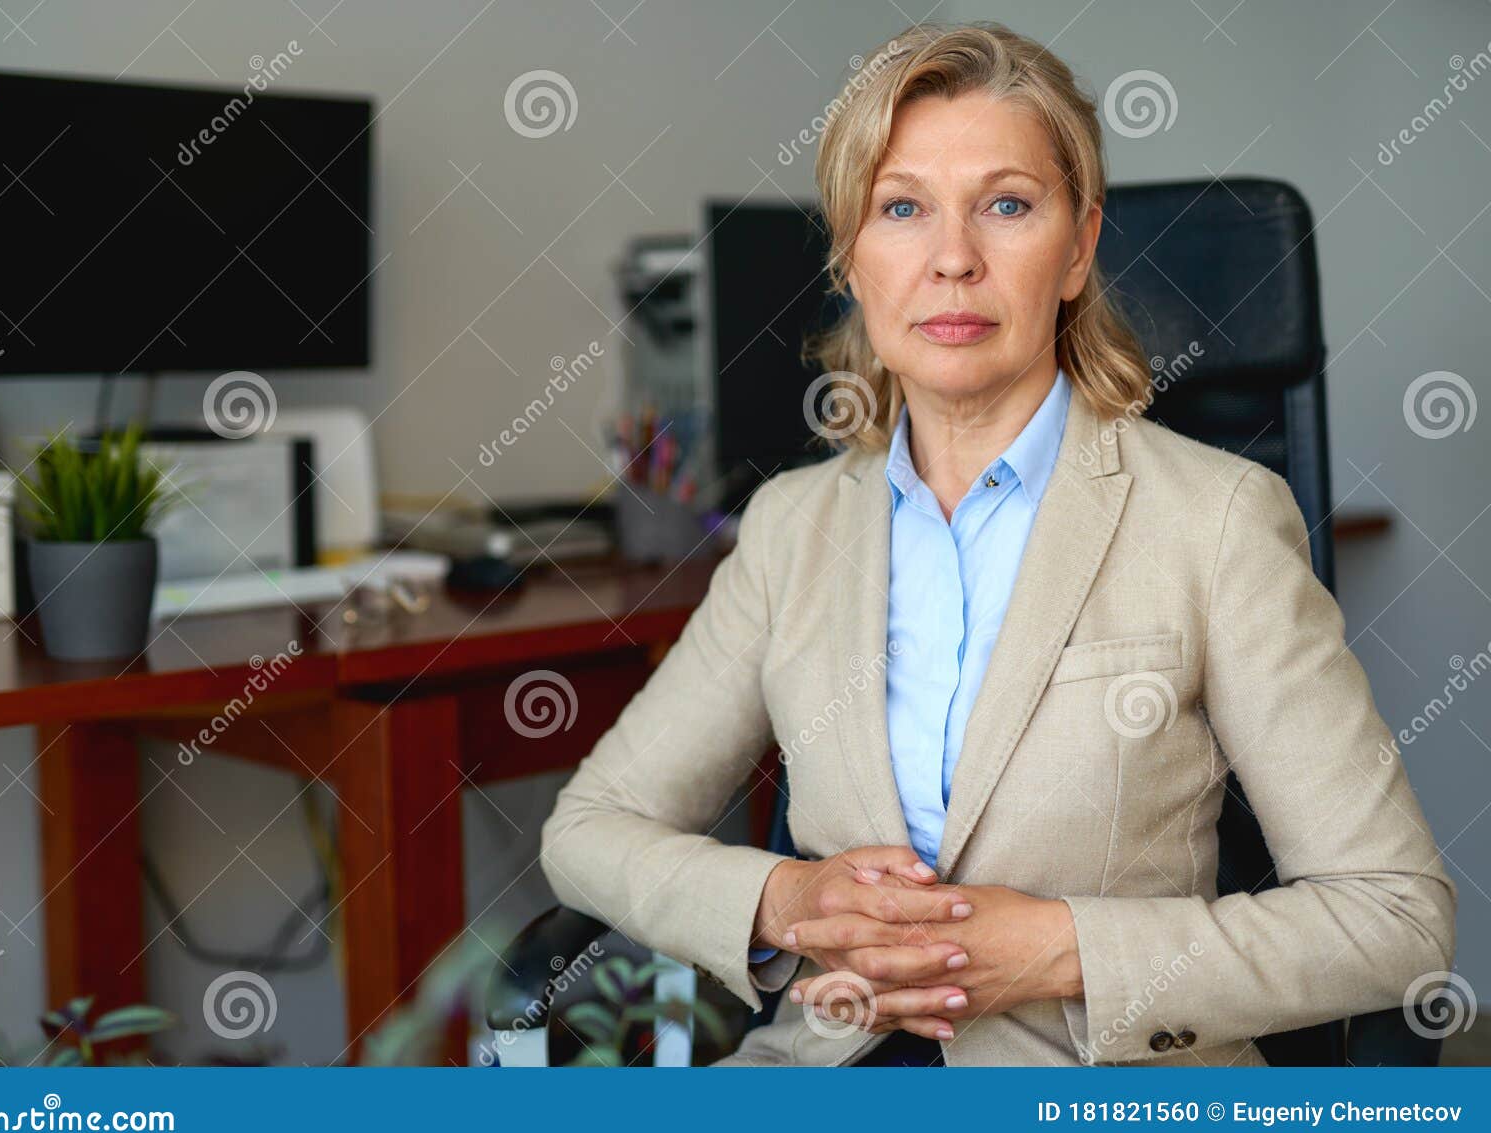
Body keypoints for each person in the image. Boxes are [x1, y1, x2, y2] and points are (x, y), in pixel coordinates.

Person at [540, 20, 1455, 1066]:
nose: (953, 258)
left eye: (1007, 205)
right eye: (901, 208)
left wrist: (1066, 950)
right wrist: (784, 898)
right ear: (851, 255)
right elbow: (590, 826)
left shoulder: (1215, 518)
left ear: (1075, 249)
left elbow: (1395, 917)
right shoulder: (794, 525)